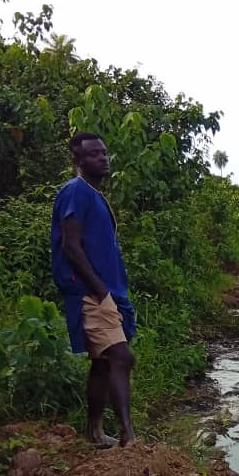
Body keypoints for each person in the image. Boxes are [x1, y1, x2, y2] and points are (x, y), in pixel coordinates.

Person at [51, 133, 136, 447]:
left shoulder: (93, 195)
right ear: (78, 161)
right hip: (91, 292)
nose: (103, 158)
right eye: (94, 154)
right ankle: (128, 437)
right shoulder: (76, 192)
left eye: (104, 152)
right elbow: (71, 246)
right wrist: (101, 292)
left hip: (105, 291)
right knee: (121, 358)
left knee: (103, 362)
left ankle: (95, 432)